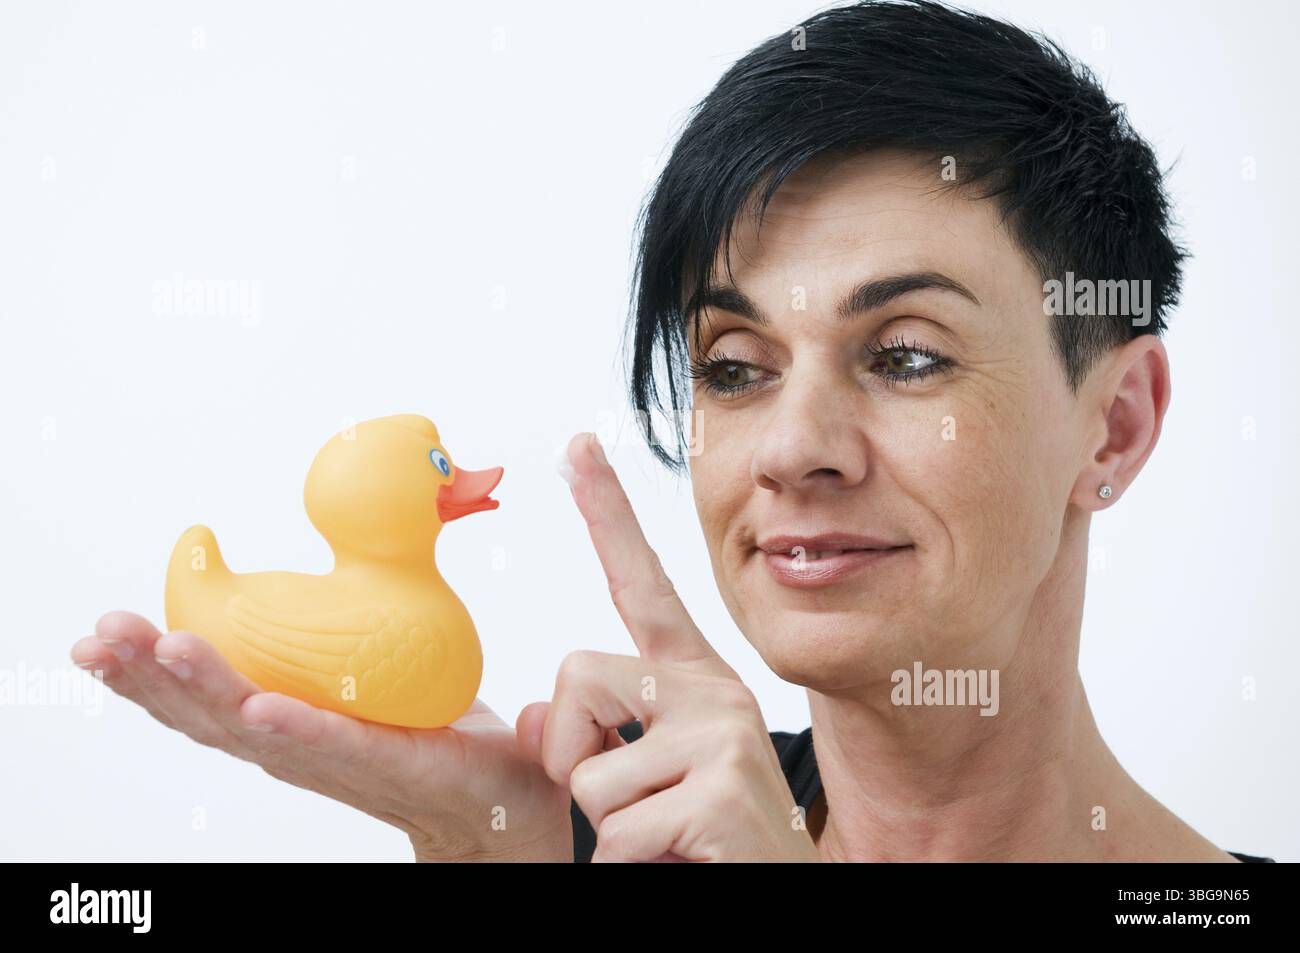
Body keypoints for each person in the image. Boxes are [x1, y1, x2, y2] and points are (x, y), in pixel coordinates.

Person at [71, 0, 1274, 862]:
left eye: (905, 355)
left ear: (1112, 425)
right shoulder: (605, 833)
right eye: (735, 366)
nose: (794, 446)